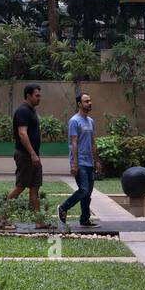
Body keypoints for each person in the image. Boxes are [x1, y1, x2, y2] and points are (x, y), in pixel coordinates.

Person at [6, 84, 51, 228]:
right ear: (28, 95)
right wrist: (32, 154)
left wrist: (35, 155)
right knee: (20, 187)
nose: (40, 98)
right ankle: (2, 219)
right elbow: (22, 133)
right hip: (26, 156)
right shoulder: (23, 111)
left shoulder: (31, 111)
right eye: (37, 95)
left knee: (34, 188)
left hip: (33, 156)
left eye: (40, 95)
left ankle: (38, 221)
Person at [58, 92, 102, 228]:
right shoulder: (74, 121)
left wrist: (97, 160)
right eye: (86, 101)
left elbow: (93, 142)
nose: (90, 103)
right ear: (79, 104)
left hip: (89, 162)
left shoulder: (91, 121)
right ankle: (63, 207)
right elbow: (74, 143)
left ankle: (84, 219)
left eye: (90, 100)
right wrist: (74, 164)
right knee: (83, 189)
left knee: (88, 193)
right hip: (80, 161)